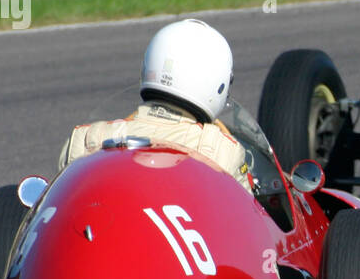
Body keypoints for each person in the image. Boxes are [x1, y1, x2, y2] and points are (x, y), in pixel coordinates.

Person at [58, 18, 251, 190]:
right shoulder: (221, 151)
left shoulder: (85, 141)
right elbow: (246, 220)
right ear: (219, 84)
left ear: (148, 66)